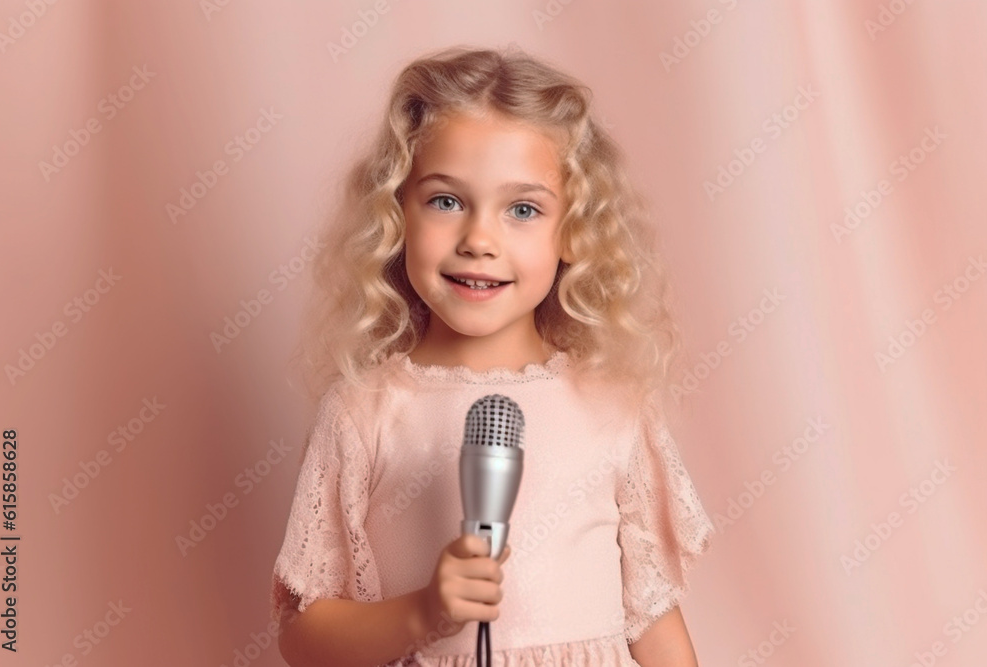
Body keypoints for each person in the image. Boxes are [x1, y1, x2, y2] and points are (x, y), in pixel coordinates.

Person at [270, 44, 716, 667]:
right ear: (397, 214)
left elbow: (651, 615)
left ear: (574, 231)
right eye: (446, 201)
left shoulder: (612, 406)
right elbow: (304, 635)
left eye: (523, 209)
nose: (479, 240)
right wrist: (423, 612)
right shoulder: (364, 412)